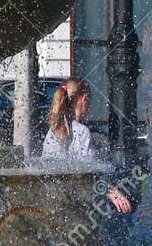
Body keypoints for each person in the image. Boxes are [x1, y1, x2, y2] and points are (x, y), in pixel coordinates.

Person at [42, 77, 133, 214]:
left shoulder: (52, 131)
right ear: (84, 99)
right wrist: (113, 192)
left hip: (53, 201)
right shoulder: (81, 131)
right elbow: (88, 175)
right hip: (74, 204)